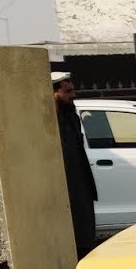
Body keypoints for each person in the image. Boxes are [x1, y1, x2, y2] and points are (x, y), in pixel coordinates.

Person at [53, 72, 98, 258]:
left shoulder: (71, 116)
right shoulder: (51, 119)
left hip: (80, 182)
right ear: (54, 93)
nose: (73, 95)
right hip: (65, 185)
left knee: (85, 236)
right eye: (67, 91)